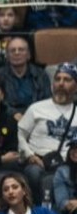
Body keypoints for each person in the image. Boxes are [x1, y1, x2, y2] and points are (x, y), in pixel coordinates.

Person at [17, 62, 77, 200]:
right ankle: (37, 209)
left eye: (67, 80)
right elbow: (20, 134)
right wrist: (30, 155)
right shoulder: (36, 108)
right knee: (33, 173)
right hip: (38, 160)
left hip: (69, 164)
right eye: (58, 79)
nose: (61, 83)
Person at [0, 36, 51, 122]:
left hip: (37, 118)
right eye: (12, 50)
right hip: (8, 119)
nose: (17, 53)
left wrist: (33, 115)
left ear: (28, 55)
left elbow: (47, 100)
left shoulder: (41, 75)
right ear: (7, 55)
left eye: (21, 50)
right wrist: (14, 114)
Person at [55, 140, 77, 214]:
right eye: (73, 148)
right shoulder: (61, 171)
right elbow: (61, 201)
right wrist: (68, 204)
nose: (75, 152)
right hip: (69, 212)